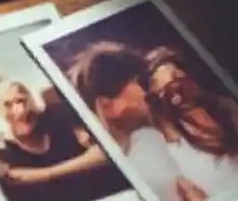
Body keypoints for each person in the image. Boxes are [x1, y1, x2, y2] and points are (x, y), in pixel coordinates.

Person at [67, 42, 206, 201]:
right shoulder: (133, 166)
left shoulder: (160, 135)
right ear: (106, 105)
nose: (146, 90)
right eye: (138, 81)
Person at [144, 46, 238, 196]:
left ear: (191, 77)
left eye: (178, 85)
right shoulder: (176, 149)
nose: (176, 99)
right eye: (165, 94)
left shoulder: (235, 108)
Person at [0, 77, 128, 201]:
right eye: (8, 105)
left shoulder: (57, 115)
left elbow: (105, 152)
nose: (20, 111)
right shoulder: (2, 155)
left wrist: (43, 174)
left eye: (21, 100)